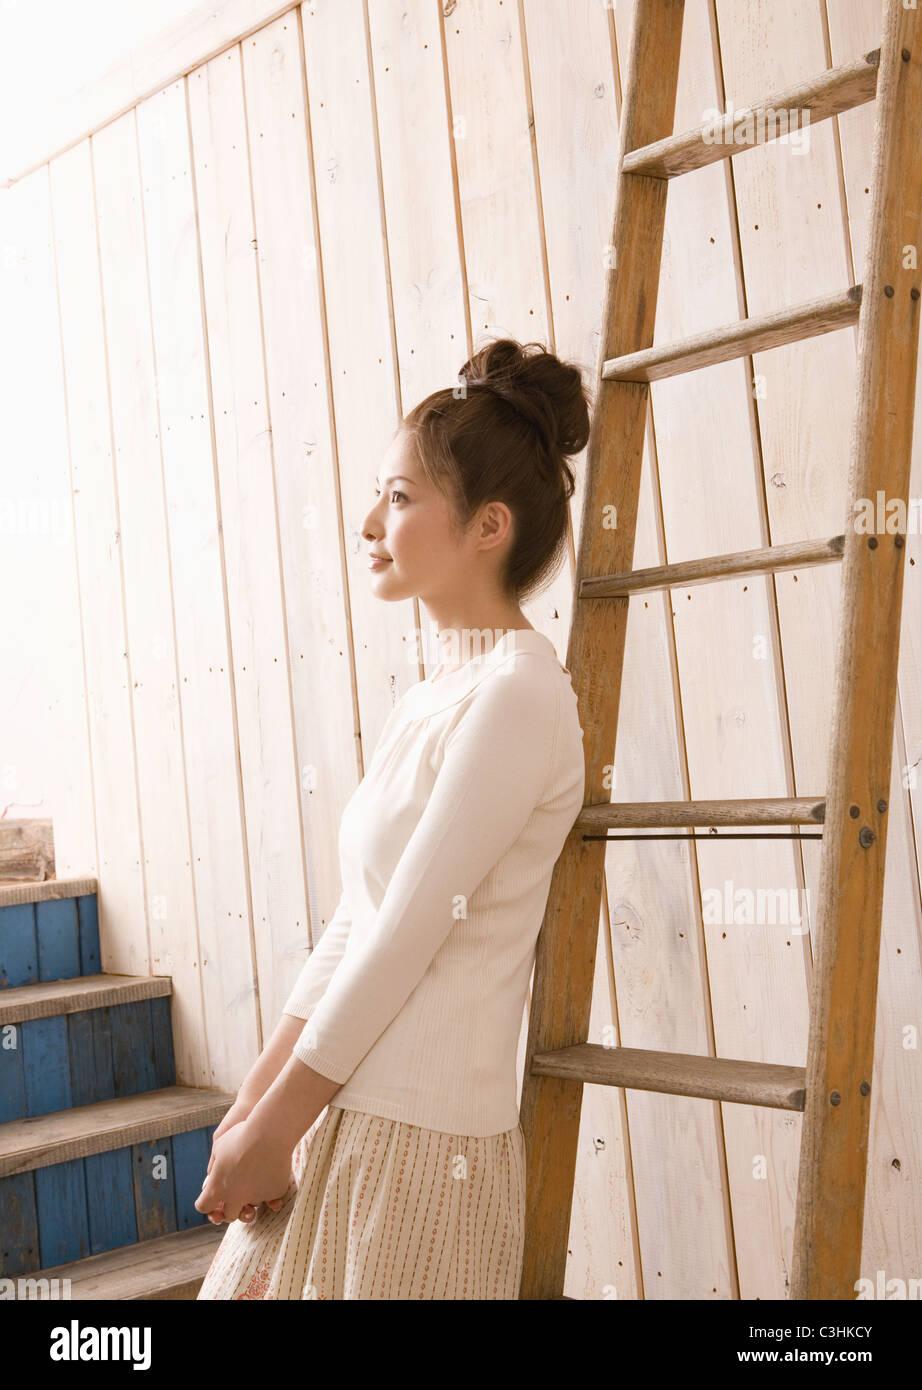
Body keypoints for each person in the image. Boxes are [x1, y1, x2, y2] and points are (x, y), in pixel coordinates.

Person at [195, 337, 590, 1299]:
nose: (371, 522)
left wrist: (277, 1123)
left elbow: (410, 931)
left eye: (401, 497)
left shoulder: (521, 696)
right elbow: (357, 920)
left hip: (423, 1144)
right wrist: (252, 1109)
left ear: (489, 525)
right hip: (335, 1104)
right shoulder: (429, 699)